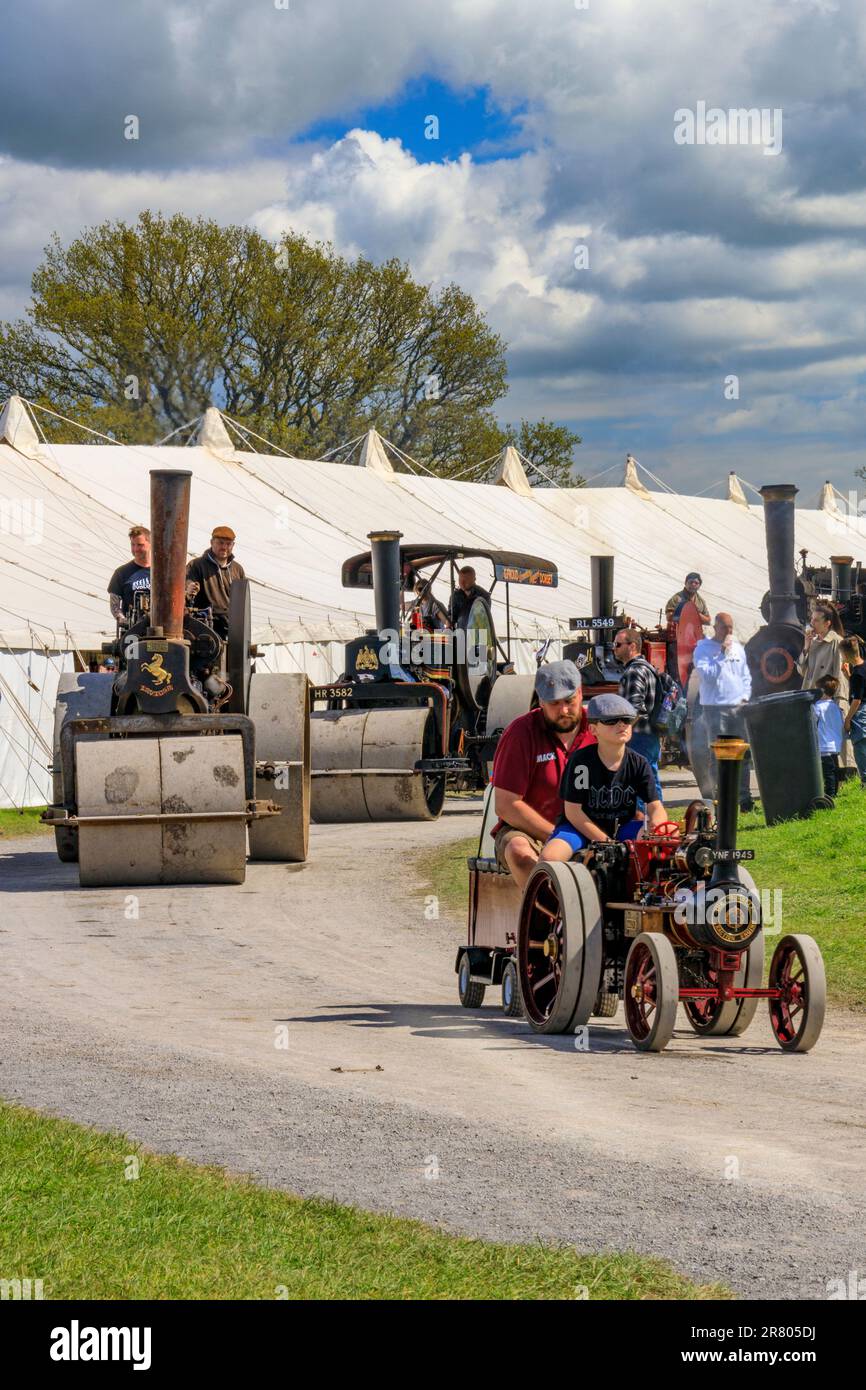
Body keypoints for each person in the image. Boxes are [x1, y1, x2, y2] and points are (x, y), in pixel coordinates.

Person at [491, 660, 596, 889]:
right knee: (518, 852)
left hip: (591, 828)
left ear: (580, 693)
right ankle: (546, 915)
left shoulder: (598, 729)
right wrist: (557, 836)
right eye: (554, 704)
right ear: (540, 701)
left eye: (569, 701)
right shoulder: (520, 733)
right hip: (528, 831)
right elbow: (506, 805)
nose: (564, 711)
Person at [542, 694, 668, 862]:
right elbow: (573, 813)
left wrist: (657, 827)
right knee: (550, 857)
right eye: (611, 721)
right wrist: (606, 842)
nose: (621, 724)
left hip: (623, 828)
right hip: (578, 829)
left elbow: (655, 807)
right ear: (593, 729)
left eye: (626, 719)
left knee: (666, 840)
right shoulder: (581, 762)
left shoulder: (638, 763)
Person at [692, 612, 754, 812]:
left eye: (730, 628)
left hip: (738, 707)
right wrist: (720, 654)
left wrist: (745, 696)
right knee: (718, 754)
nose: (728, 632)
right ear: (715, 628)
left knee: (742, 752)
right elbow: (707, 676)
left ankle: (744, 798)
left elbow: (745, 674)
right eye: (724, 628)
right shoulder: (703, 649)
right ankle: (720, 797)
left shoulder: (737, 647)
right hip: (714, 708)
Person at [798, 602, 851, 770]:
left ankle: (845, 775)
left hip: (830, 697)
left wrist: (837, 699)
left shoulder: (837, 642)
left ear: (827, 623)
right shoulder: (812, 642)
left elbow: (838, 673)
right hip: (812, 695)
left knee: (834, 740)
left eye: (816, 620)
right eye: (811, 620)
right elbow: (801, 671)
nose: (812, 623)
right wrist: (806, 647)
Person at [613, 627, 663, 800]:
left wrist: (621, 731)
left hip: (639, 737)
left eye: (618, 644)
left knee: (639, 784)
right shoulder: (648, 668)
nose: (614, 648)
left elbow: (635, 708)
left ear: (632, 646)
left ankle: (645, 824)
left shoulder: (634, 671)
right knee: (651, 781)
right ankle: (658, 822)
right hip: (650, 737)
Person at [186, 526, 246, 632]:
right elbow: (187, 585)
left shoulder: (238, 569)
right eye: (220, 543)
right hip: (205, 626)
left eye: (228, 544)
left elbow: (242, 602)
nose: (224, 547)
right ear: (211, 542)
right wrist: (189, 589)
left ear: (233, 545)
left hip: (231, 628)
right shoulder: (196, 565)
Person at [107, 525, 151, 625]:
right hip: (133, 632)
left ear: (150, 544)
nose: (135, 549)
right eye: (133, 544)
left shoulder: (162, 574)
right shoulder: (121, 573)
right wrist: (124, 621)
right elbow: (114, 605)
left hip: (161, 630)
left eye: (140, 545)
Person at [812, 676, 844, 798]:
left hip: (823, 745)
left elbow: (813, 722)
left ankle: (829, 795)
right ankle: (834, 792)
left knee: (827, 772)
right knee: (834, 770)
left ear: (822, 691)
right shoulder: (836, 707)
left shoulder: (817, 707)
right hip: (835, 744)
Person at [841, 637, 866, 785]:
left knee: (860, 746)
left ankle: (865, 781)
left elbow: (857, 699)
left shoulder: (857, 673)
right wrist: (847, 676)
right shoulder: (862, 668)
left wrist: (848, 719)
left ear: (846, 654)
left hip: (861, 711)